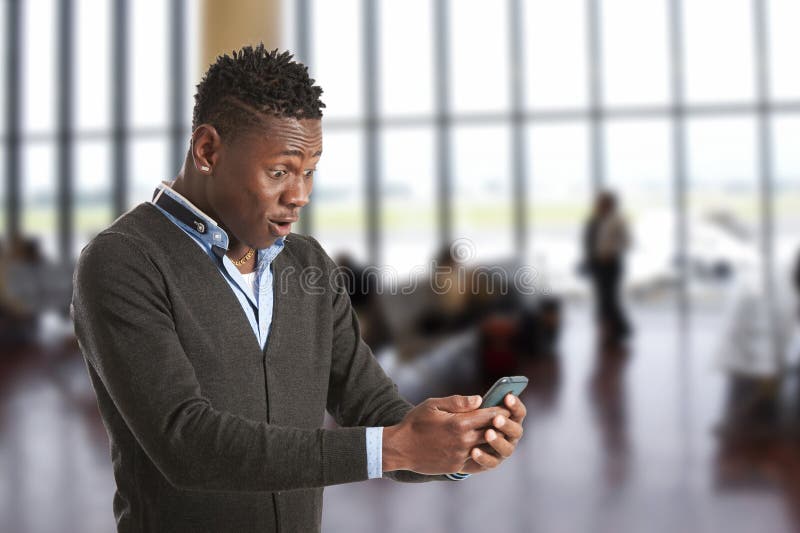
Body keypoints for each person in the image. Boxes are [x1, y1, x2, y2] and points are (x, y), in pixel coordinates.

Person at [70, 45, 527, 532]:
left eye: (310, 171)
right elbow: (187, 443)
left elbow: (373, 409)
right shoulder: (123, 261)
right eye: (280, 171)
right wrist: (396, 446)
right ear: (207, 151)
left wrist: (451, 447)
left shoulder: (307, 263)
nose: (300, 195)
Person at [582, 191, 632, 347]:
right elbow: (589, 241)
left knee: (609, 299)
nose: (598, 205)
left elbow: (626, 242)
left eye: (602, 203)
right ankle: (612, 332)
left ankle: (620, 330)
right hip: (597, 264)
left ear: (610, 205)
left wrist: (611, 253)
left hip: (611, 263)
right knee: (603, 300)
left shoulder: (617, 221)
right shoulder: (595, 220)